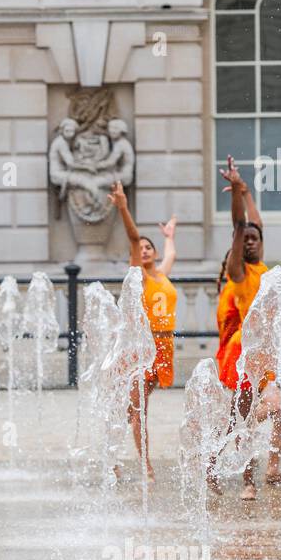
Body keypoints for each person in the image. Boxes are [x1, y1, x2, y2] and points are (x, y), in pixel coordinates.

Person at [209, 156, 281, 501]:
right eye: (245, 239)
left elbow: (254, 223)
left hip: (262, 352)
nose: (251, 241)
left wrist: (247, 191)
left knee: (243, 417)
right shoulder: (238, 274)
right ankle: (245, 479)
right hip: (243, 353)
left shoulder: (264, 268)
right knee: (245, 418)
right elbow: (240, 225)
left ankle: (212, 463)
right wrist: (236, 194)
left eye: (256, 238)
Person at [107, 180, 176, 481]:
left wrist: (169, 237)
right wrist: (123, 208)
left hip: (163, 348)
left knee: (132, 409)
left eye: (150, 247)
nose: (144, 250)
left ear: (155, 253)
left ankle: (109, 456)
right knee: (139, 410)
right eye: (141, 249)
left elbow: (171, 255)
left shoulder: (162, 276)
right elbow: (134, 238)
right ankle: (145, 465)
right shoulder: (139, 277)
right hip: (142, 349)